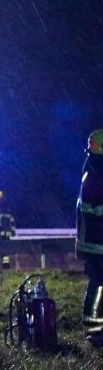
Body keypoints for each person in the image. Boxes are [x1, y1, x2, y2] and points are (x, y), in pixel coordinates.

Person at [77, 129, 103, 348]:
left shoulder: (95, 172)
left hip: (98, 243)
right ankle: (94, 331)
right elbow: (93, 211)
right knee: (99, 285)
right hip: (94, 245)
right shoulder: (93, 177)